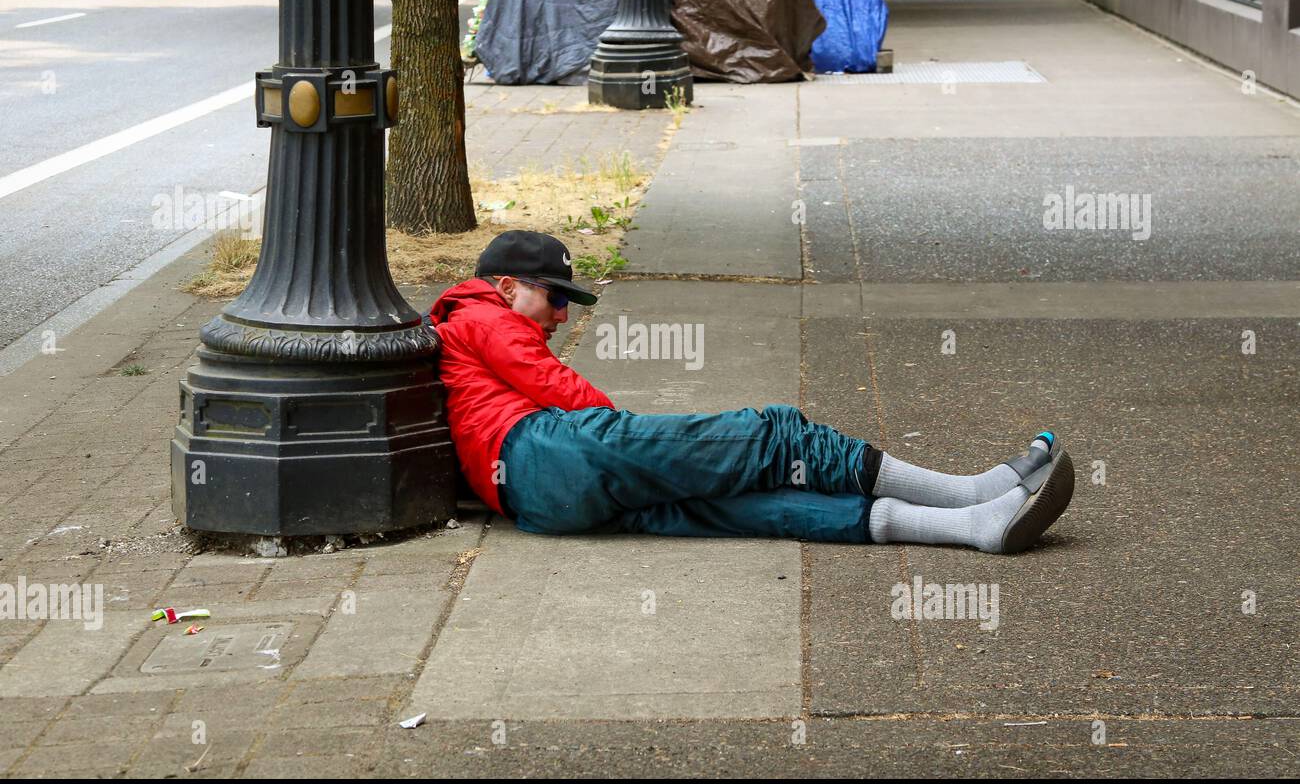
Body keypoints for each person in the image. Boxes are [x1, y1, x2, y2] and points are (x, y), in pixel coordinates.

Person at [428, 231, 1074, 553]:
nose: (562, 315)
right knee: (775, 434)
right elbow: (558, 389)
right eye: (554, 296)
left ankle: (969, 527)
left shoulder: (466, 326)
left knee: (754, 503)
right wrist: (623, 435)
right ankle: (967, 491)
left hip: (540, 505)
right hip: (556, 454)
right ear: (508, 285)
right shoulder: (481, 311)